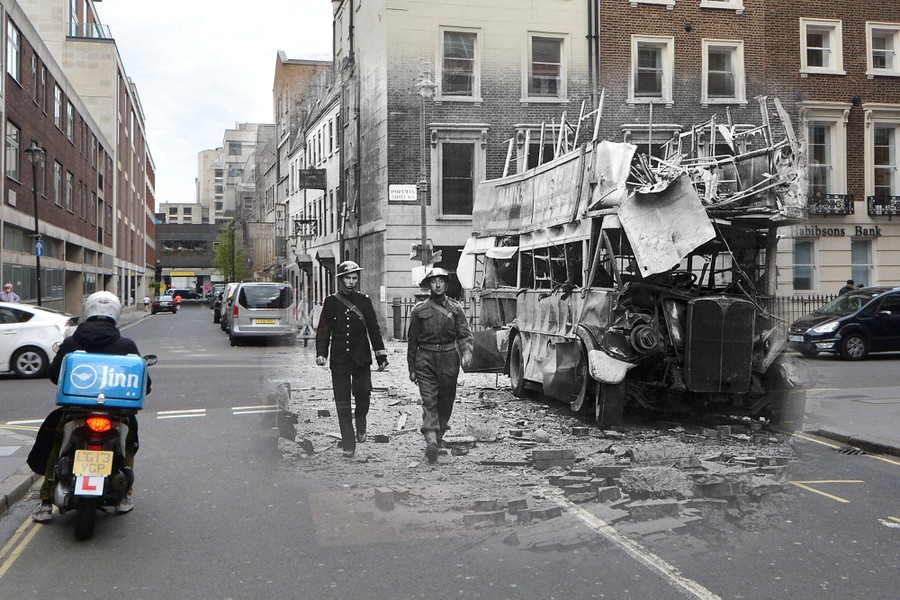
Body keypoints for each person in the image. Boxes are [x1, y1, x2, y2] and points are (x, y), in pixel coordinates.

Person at [29, 291, 150, 522]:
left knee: (57, 443)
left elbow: (54, 375)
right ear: (115, 314)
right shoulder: (125, 344)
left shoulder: (71, 342)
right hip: (116, 414)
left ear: (88, 312)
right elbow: (145, 384)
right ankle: (124, 495)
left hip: (76, 412)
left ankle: (45, 502)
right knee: (128, 441)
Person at [315, 261, 388, 458]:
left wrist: (381, 355)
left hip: (361, 358)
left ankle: (361, 419)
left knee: (363, 394)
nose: (351, 281)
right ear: (341, 279)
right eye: (348, 278)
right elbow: (324, 329)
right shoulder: (331, 302)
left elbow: (373, 328)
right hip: (339, 359)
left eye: (354, 278)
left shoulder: (364, 301)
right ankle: (348, 442)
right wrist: (322, 353)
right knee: (342, 401)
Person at [407, 267, 474, 464]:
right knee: (429, 401)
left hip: (448, 359)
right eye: (434, 281)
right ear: (428, 285)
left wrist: (467, 353)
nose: (437, 285)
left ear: (446, 284)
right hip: (425, 358)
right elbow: (412, 342)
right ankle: (431, 441)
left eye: (441, 281)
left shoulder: (456, 309)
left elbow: (465, 335)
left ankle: (439, 435)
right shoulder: (419, 311)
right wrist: (412, 368)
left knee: (445, 401)